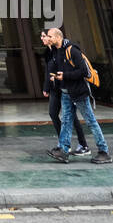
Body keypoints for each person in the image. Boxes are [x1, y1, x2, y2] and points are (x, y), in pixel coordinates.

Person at [48, 27, 112, 164]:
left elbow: (82, 71)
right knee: (66, 121)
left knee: (91, 122)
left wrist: (65, 76)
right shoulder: (57, 51)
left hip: (78, 93)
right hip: (66, 92)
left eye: (50, 36)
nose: (48, 38)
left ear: (58, 37)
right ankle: (63, 150)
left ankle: (103, 151)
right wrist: (58, 78)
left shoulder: (72, 50)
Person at [41, 28, 88, 157]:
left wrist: (58, 76)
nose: (43, 38)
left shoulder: (63, 49)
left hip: (65, 86)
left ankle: (82, 144)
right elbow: (47, 71)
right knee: (53, 113)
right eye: (43, 36)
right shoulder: (48, 52)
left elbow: (68, 67)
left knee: (72, 118)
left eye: (45, 36)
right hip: (55, 88)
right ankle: (62, 143)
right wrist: (46, 87)